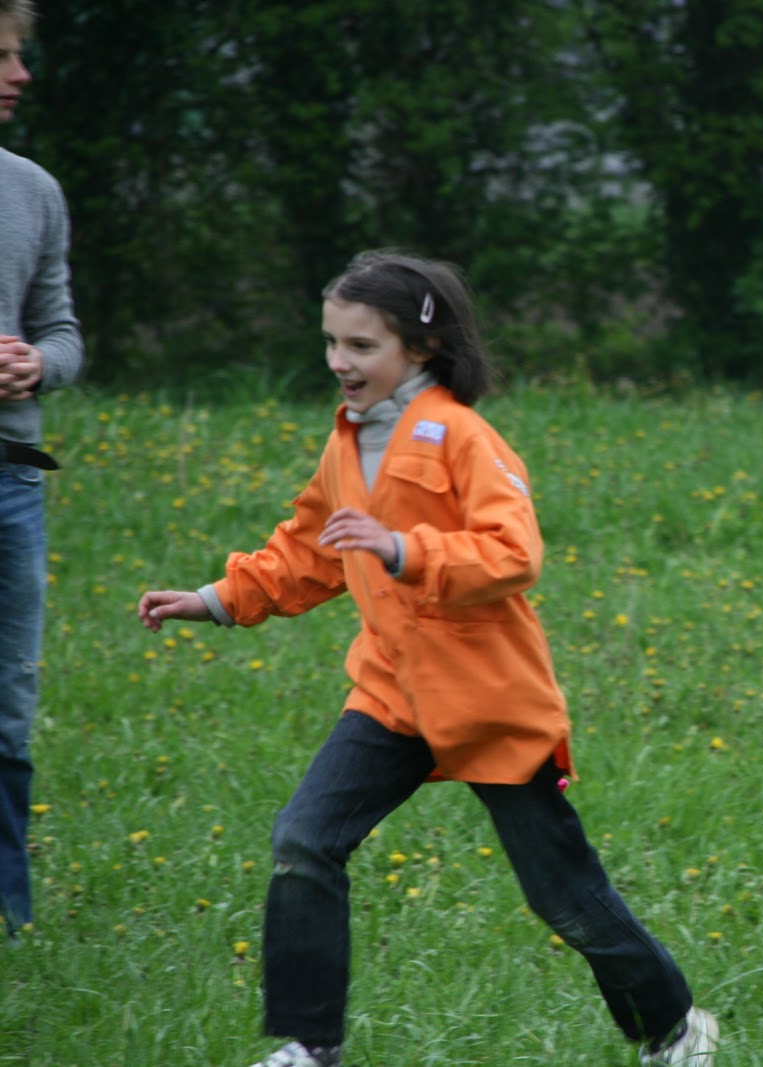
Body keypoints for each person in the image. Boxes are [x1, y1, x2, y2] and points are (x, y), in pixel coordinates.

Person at [135, 251, 718, 1067]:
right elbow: (308, 549)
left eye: (361, 345)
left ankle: (675, 1026)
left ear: (422, 347)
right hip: (390, 697)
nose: (339, 361)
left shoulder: (465, 438)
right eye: (332, 342)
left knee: (563, 897)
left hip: (489, 704)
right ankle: (313, 1045)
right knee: (305, 838)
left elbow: (514, 553)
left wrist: (403, 548)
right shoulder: (347, 443)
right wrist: (216, 598)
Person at [0, 0, 84, 938]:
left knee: (7, 710)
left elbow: (63, 332)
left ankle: (9, 918)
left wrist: (38, 364)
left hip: (13, 478)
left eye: (17, 55)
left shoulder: (33, 191)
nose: (19, 74)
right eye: (0, 56)